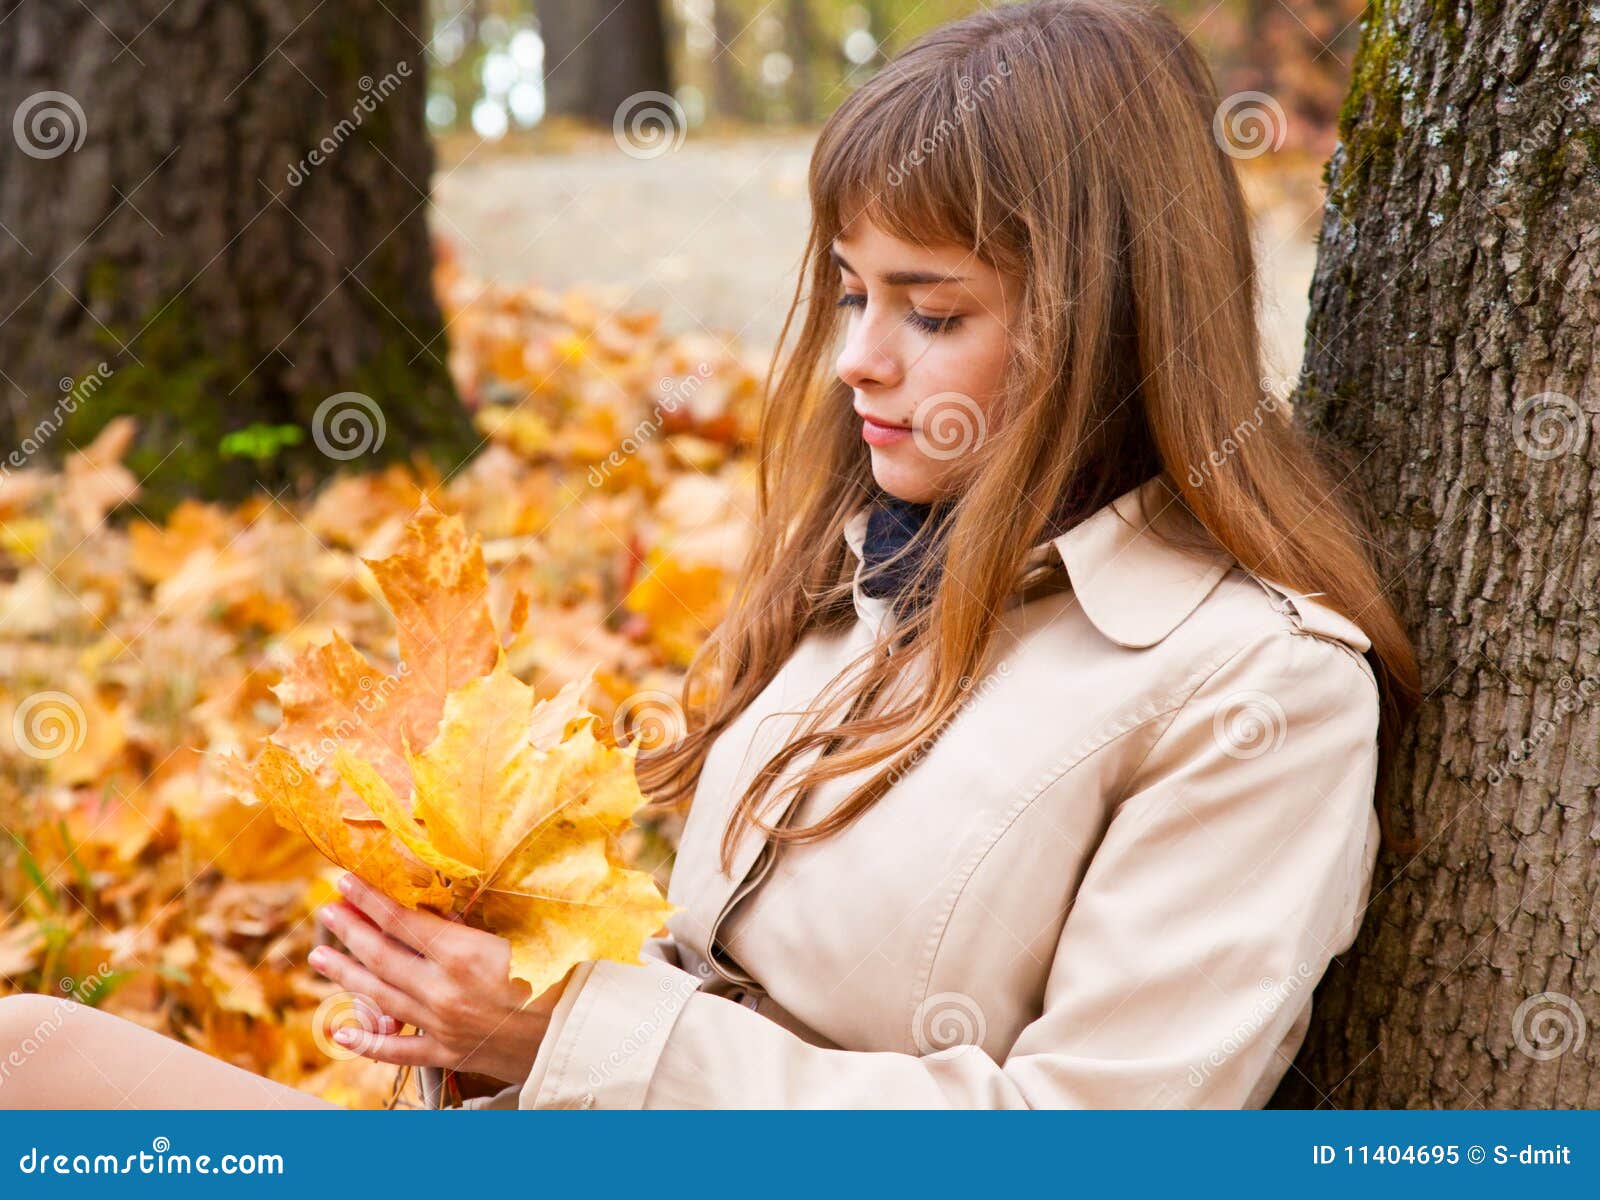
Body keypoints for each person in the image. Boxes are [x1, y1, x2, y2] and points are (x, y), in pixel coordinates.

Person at [0, 0, 1419, 1110]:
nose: (858, 360)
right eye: (852, 294)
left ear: (1105, 321)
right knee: (32, 1057)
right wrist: (476, 993)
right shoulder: (869, 569)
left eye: (931, 313)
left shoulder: (1257, 688)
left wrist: (570, 1033)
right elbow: (698, 986)